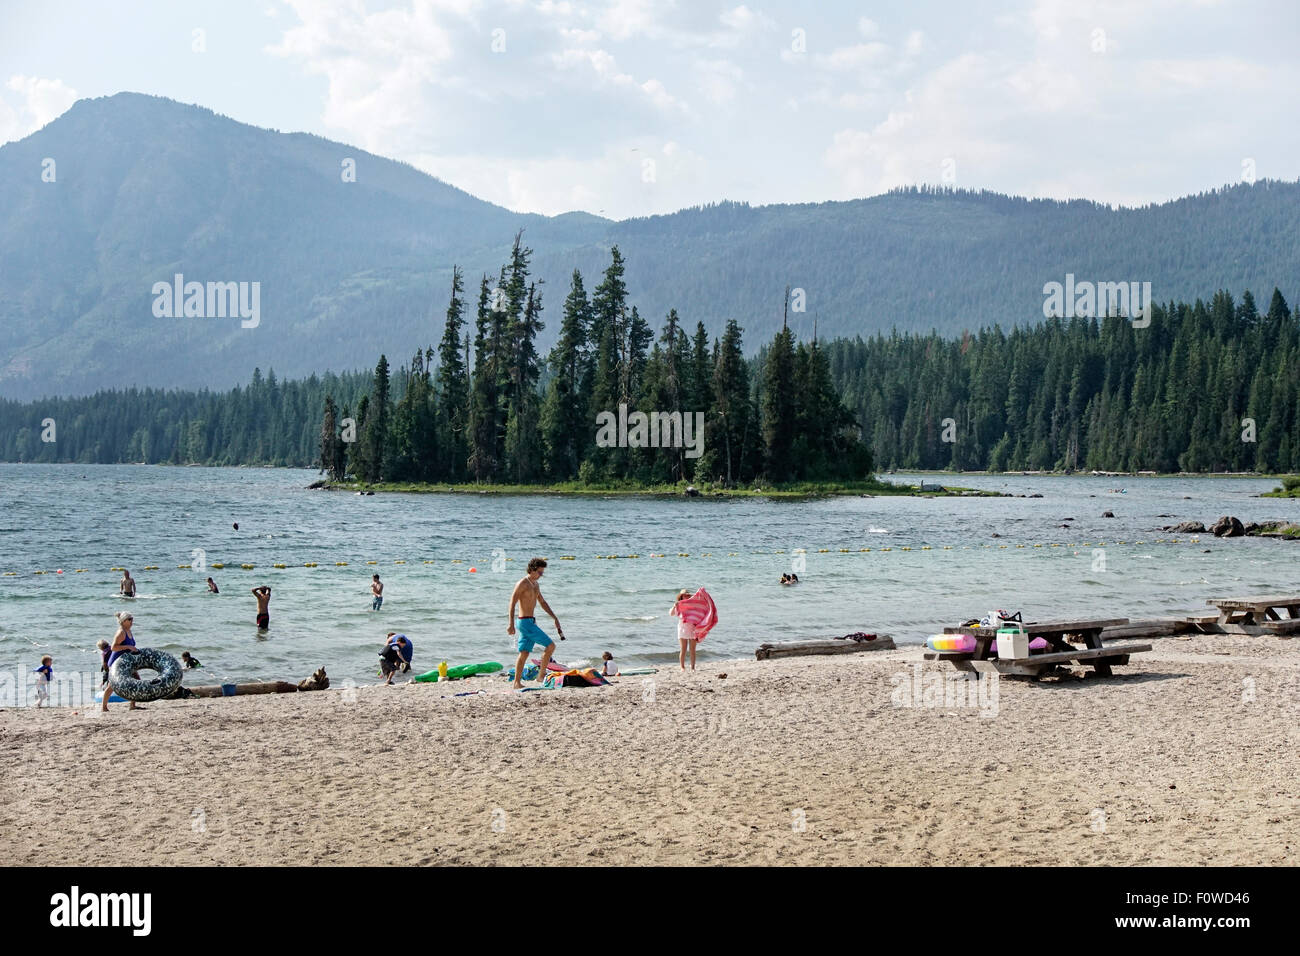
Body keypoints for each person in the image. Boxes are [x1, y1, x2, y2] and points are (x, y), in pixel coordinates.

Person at [508, 558, 564, 689]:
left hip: (530, 621)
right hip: (524, 622)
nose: (541, 575)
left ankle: (516, 683)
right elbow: (512, 603)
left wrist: (554, 618)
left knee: (524, 653)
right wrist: (510, 624)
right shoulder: (522, 583)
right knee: (550, 646)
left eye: (542, 573)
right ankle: (540, 676)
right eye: (540, 572)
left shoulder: (536, 585)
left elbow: (543, 602)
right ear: (533, 570)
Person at [102, 611, 141, 712]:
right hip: (116, 663)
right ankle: (104, 707)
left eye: (132, 619)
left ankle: (132, 705)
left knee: (136, 680)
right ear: (124, 621)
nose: (132, 621)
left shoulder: (128, 631)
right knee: (112, 686)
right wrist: (128, 646)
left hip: (127, 662)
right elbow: (114, 648)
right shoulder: (121, 633)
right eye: (130, 619)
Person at [670, 589, 698, 671]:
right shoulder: (678, 605)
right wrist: (674, 606)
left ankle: (693, 667)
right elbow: (671, 614)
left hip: (693, 628)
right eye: (684, 595)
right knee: (683, 649)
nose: (686, 596)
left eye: (688, 595)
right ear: (681, 597)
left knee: (692, 649)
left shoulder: (694, 605)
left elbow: (700, 614)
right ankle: (682, 667)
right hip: (682, 629)